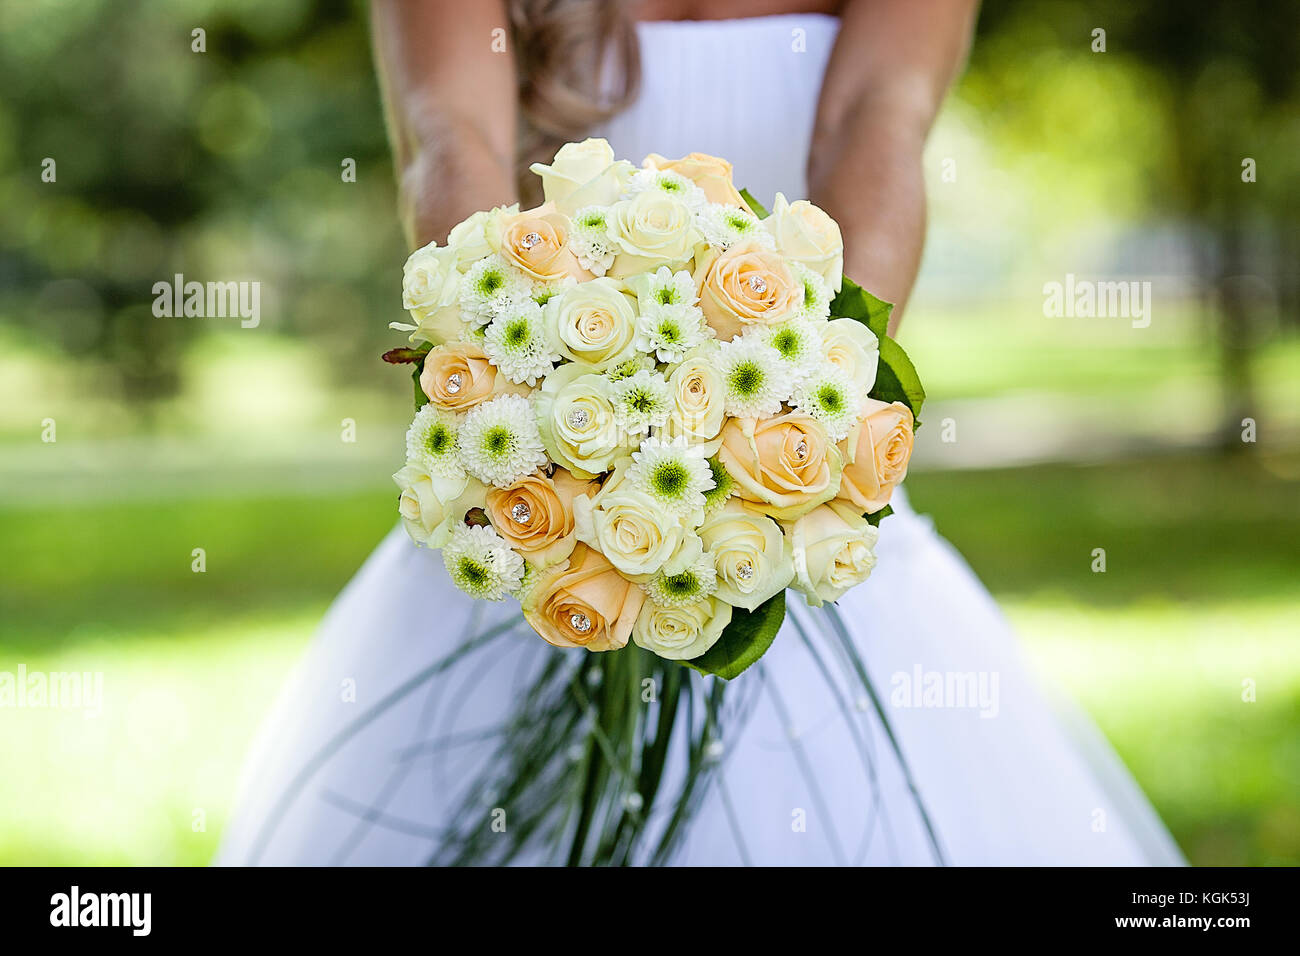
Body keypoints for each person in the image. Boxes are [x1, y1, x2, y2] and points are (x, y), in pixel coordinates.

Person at [217, 0, 1183, 865]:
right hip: (531, 477)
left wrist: (813, 402)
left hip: (792, 467)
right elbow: (451, 133)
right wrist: (531, 392)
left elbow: (876, 122)